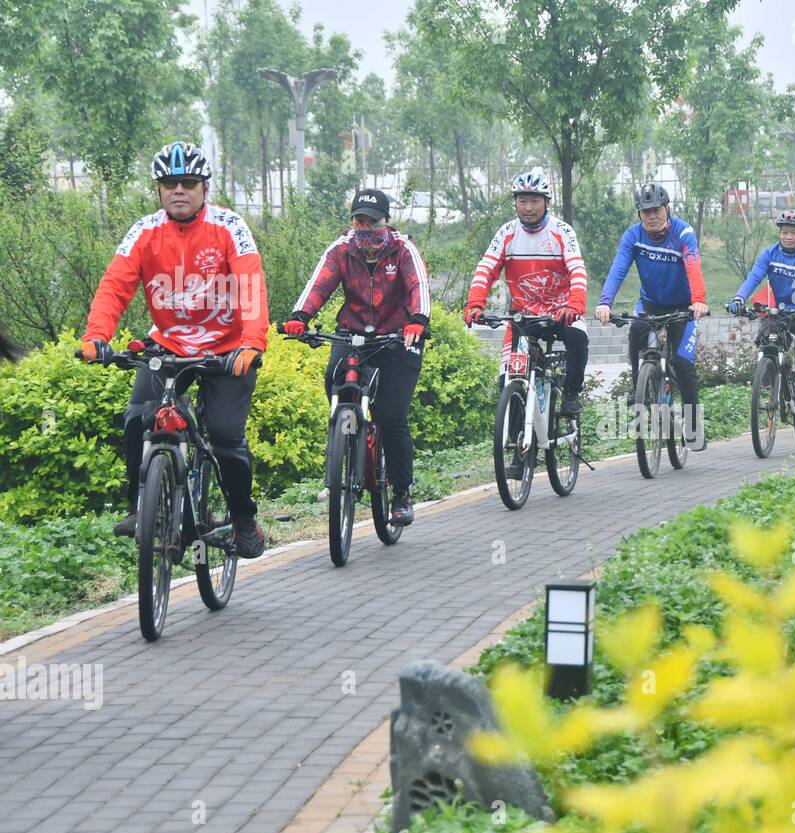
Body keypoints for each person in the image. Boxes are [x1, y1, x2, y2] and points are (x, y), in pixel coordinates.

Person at [80, 141, 269, 558]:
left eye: (187, 183)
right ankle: (141, 507)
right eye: (169, 183)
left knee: (223, 436)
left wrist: (253, 343)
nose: (178, 190)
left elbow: (251, 283)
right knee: (137, 419)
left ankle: (242, 520)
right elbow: (115, 285)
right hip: (169, 344)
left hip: (228, 350)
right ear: (159, 190)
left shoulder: (229, 226)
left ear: (204, 187)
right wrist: (97, 335)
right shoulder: (144, 231)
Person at [285, 189, 430, 527]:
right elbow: (319, 284)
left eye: (372, 222)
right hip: (352, 334)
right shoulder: (341, 249)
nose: (365, 229)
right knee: (335, 387)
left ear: (386, 222)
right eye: (359, 221)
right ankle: (342, 456)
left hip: (398, 337)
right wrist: (300, 315)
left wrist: (418, 320)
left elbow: (419, 287)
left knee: (392, 415)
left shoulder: (403, 249)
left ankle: (402, 493)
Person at [463, 168, 588, 420]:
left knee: (578, 339)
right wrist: (475, 303)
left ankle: (572, 395)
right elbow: (486, 269)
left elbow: (577, 270)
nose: (528, 207)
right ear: (515, 204)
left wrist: (575, 304)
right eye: (522, 201)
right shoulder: (506, 233)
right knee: (507, 382)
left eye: (534, 201)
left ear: (546, 203)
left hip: (562, 312)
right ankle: (520, 452)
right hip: (523, 319)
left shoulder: (562, 232)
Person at [594, 182, 708, 450]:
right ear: (639, 215)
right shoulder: (633, 236)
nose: (652, 216)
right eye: (645, 212)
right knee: (636, 331)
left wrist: (699, 300)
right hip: (650, 304)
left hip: (683, 307)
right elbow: (619, 267)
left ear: (667, 209)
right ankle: (640, 387)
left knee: (682, 363)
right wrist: (605, 302)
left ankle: (692, 428)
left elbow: (693, 266)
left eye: (656, 210)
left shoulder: (684, 233)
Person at [726, 209, 795, 434]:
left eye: (793, 232)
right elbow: (754, 276)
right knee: (766, 341)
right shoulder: (769, 254)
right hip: (779, 313)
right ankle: (771, 370)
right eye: (784, 232)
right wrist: (739, 298)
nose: (788, 237)